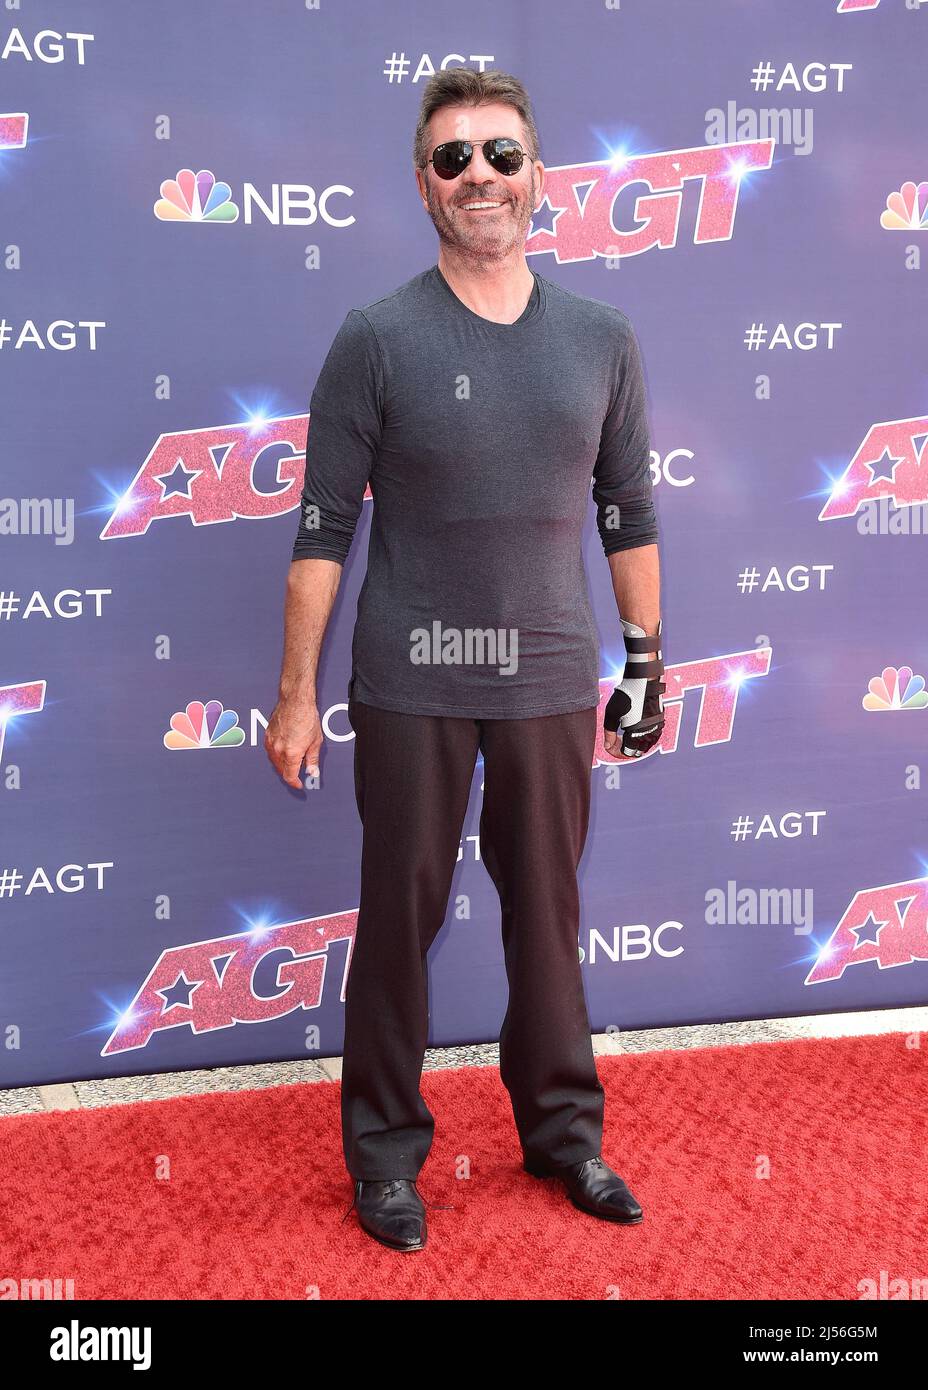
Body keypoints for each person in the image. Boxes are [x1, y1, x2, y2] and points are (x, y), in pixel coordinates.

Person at [265, 67, 665, 1253]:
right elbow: (322, 529)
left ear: (539, 174)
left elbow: (628, 511)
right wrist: (294, 694)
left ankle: (563, 1136)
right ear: (422, 184)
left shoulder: (600, 337)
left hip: (549, 677)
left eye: (500, 153)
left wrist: (646, 660)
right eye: (452, 158)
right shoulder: (377, 337)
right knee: (398, 920)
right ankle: (386, 1155)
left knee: (546, 921)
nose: (478, 175)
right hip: (411, 679)